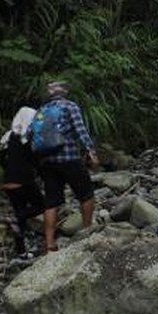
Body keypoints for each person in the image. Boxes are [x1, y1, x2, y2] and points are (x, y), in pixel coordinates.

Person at [35, 80, 99, 253]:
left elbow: (30, 135)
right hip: (69, 157)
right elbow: (80, 130)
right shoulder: (70, 106)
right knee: (86, 194)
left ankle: (50, 244)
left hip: (46, 162)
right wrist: (91, 152)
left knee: (51, 201)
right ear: (65, 92)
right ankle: (86, 232)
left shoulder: (41, 110)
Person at [0, 106, 45, 257]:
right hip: (24, 181)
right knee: (41, 205)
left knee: (21, 216)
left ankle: (21, 252)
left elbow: (0, 157)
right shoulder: (28, 137)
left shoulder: (8, 136)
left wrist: (9, 170)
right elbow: (36, 160)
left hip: (8, 183)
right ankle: (15, 219)